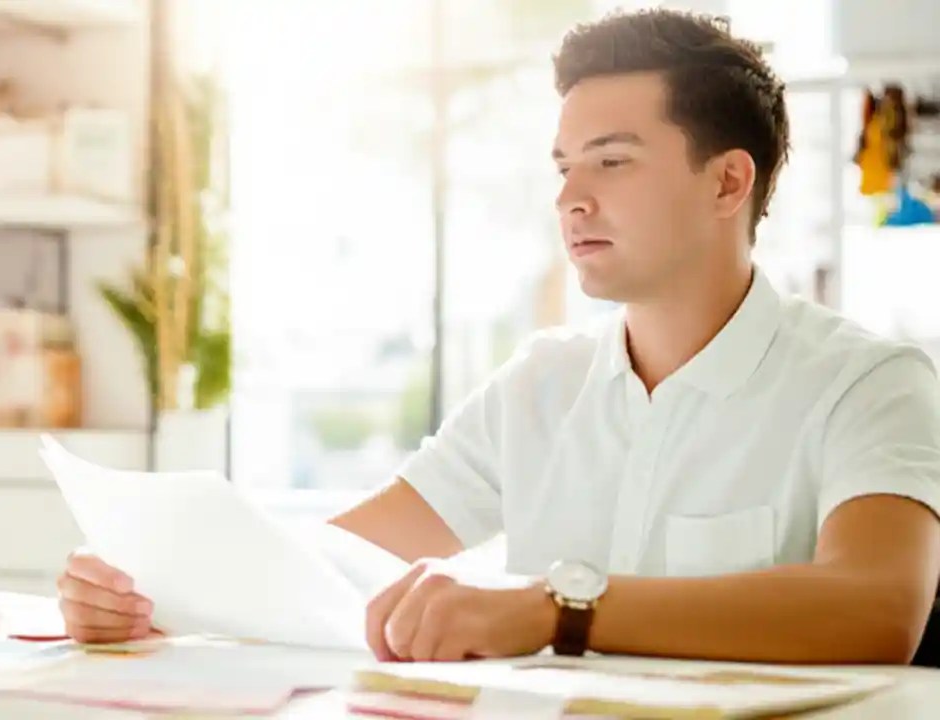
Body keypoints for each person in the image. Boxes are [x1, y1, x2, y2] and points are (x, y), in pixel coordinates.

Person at [58, 9, 940, 665]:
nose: (570, 198)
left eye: (613, 160)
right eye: (564, 168)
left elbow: (877, 609)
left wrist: (561, 609)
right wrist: (150, 594)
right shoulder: (541, 384)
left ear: (727, 183)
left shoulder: (868, 381)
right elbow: (336, 560)